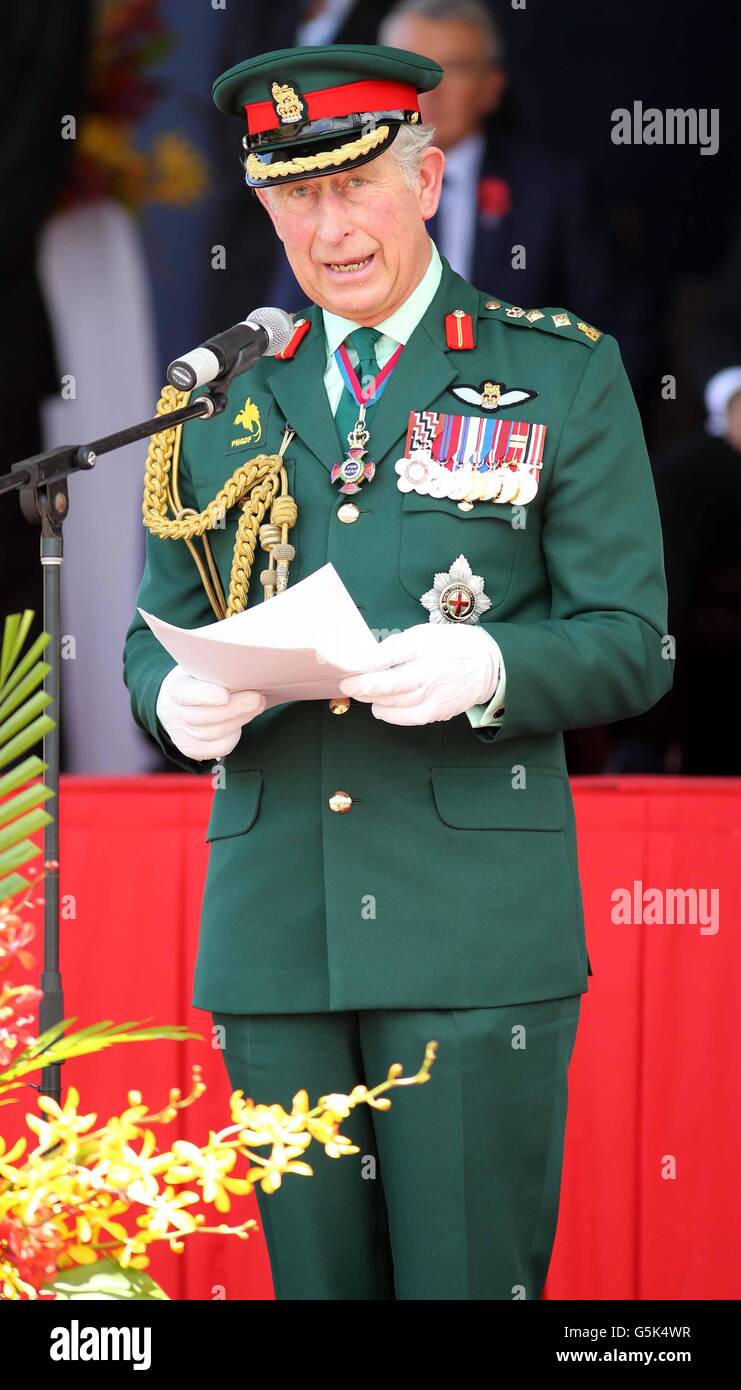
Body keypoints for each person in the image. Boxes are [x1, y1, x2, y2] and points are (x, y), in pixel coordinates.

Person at [123, 43, 673, 1300]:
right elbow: (149, 634)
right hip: (276, 935)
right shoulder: (217, 400)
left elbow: (634, 642)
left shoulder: (558, 368)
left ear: (429, 179)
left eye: (359, 184)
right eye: (297, 197)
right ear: (264, 207)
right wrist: (175, 701)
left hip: (472, 933)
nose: (332, 225)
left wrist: (489, 660)